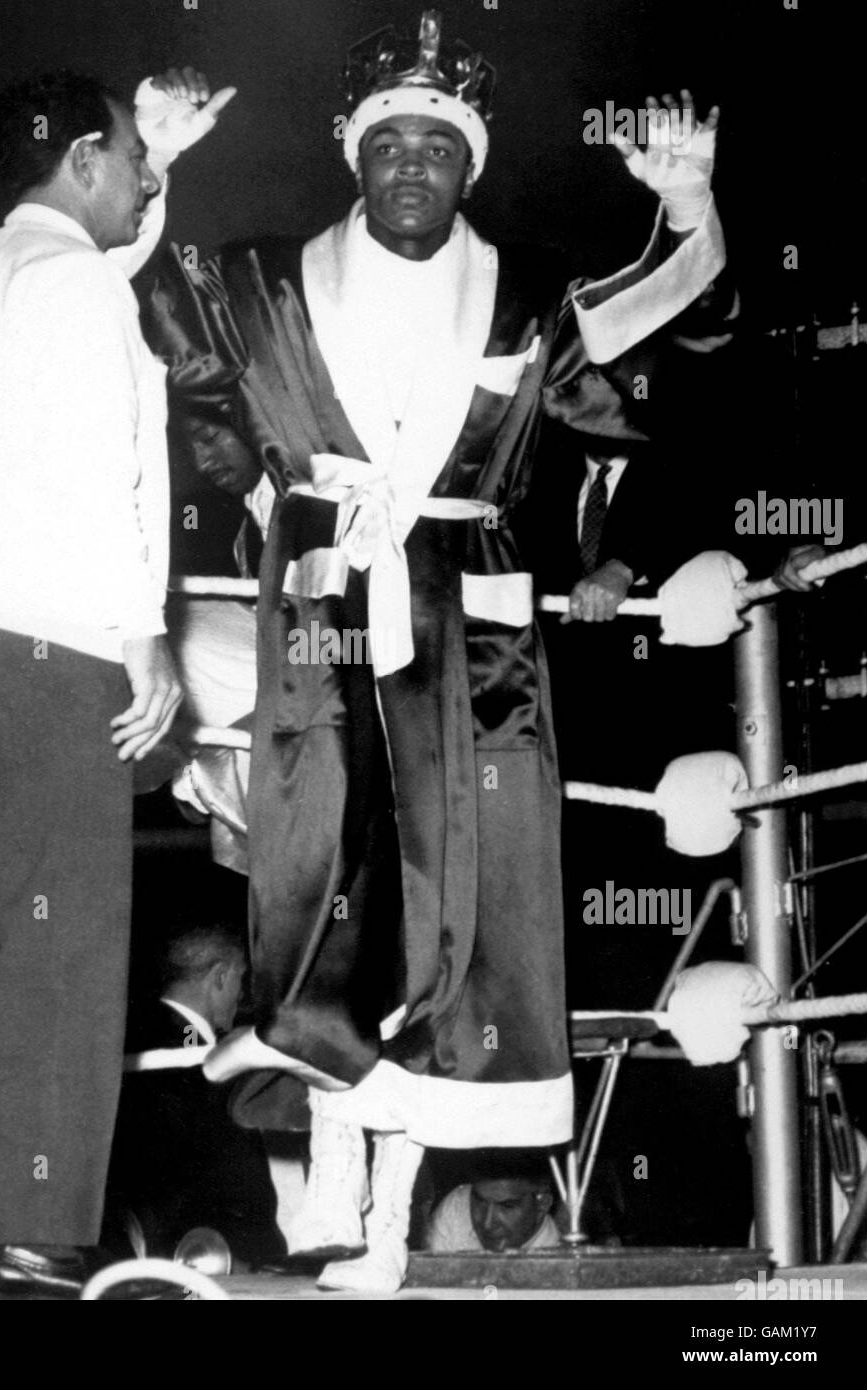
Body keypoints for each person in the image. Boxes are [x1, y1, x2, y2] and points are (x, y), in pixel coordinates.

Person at [147, 10, 736, 1292]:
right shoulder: (256, 282)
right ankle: (336, 1181)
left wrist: (687, 211)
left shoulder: (528, 293)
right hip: (317, 622)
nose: (412, 166)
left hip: (470, 638)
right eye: (390, 143)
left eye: (438, 147)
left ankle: (387, 1226)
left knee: (457, 924)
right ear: (354, 157)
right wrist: (153, 171)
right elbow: (164, 358)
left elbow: (668, 355)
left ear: (468, 167)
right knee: (324, 906)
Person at [0, 66, 233, 1300]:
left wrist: (160, 162)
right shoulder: (70, 283)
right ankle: (27, 1241)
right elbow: (102, 460)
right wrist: (140, 630)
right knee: (62, 946)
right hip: (41, 643)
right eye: (130, 158)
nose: (141, 181)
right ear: (82, 160)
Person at [104, 923, 281, 1266]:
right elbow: (243, 1191)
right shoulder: (205, 1064)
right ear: (220, 976)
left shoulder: (123, 1037)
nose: (240, 998)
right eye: (240, 982)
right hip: (203, 1260)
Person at [425, 1155, 559, 1254]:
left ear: (542, 1205)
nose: (487, 1223)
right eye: (480, 1201)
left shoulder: (555, 1256)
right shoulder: (456, 1207)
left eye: (507, 1206)